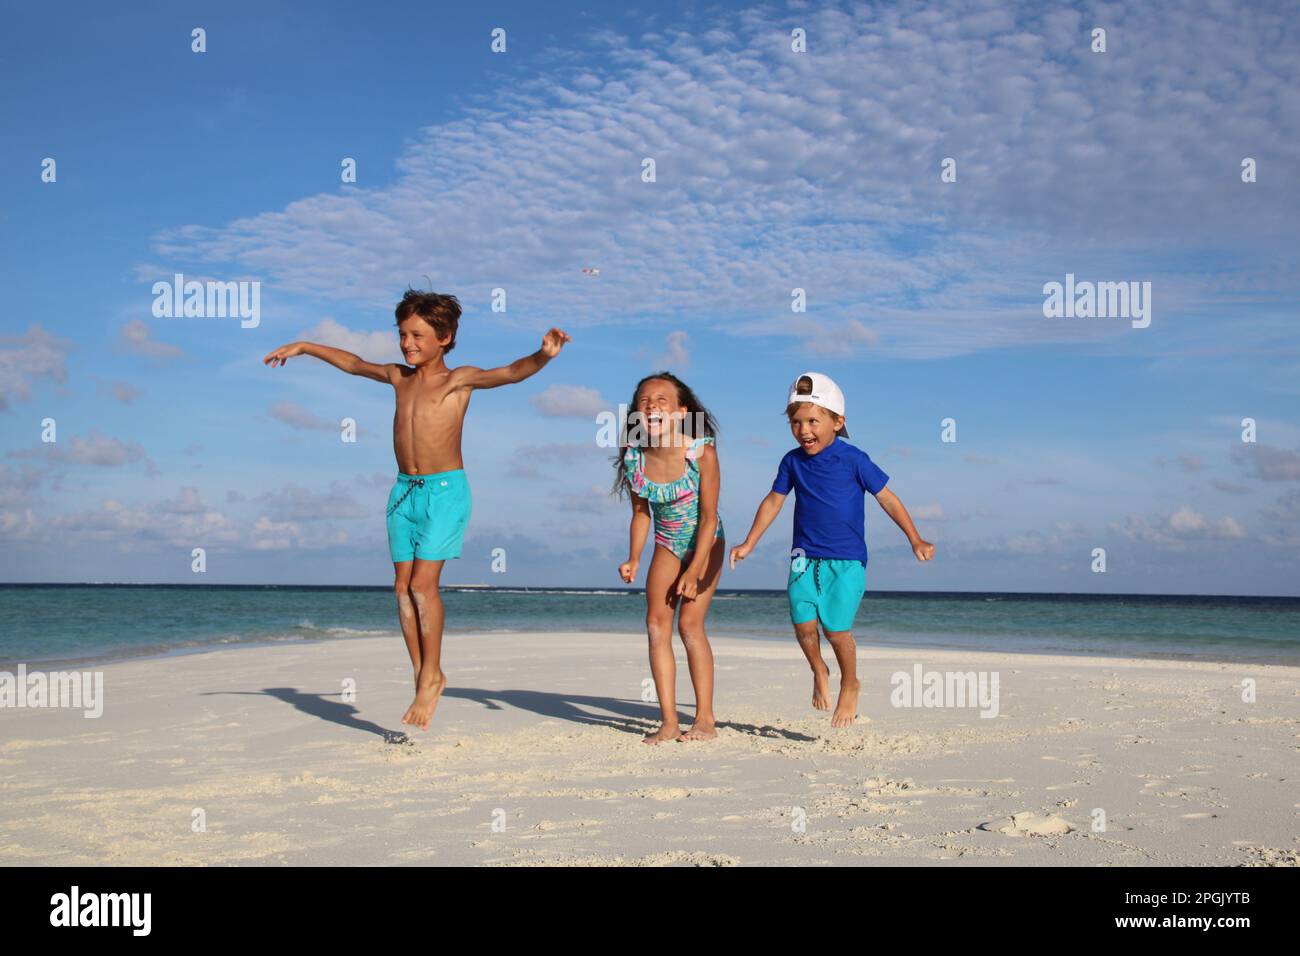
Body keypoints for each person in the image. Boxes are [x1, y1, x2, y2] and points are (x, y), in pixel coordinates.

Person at [264, 289, 571, 730]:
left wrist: (543, 356)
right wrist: (306, 347)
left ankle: (432, 674)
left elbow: (509, 373)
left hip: (446, 491)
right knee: (402, 588)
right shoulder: (398, 377)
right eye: (403, 334)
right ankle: (424, 672)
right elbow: (353, 363)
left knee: (424, 586)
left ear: (444, 337)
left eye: (418, 335)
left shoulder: (458, 381)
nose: (407, 343)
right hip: (404, 493)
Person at [730, 372, 934, 727]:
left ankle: (850, 683)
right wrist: (749, 542)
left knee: (837, 631)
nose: (803, 430)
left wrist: (914, 538)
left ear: (837, 421)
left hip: (848, 560)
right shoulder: (792, 462)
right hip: (803, 558)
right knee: (803, 623)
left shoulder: (855, 460)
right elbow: (774, 501)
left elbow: (888, 499)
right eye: (796, 422)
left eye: (812, 421)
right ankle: (818, 668)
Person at [614, 373, 725, 743]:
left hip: (706, 542)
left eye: (662, 400)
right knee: (656, 625)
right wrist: (633, 557)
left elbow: (709, 518)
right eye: (644, 401)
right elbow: (642, 514)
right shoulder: (635, 456)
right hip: (667, 541)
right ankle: (669, 721)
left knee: (689, 626)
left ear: (681, 412)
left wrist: (694, 571)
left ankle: (705, 719)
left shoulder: (701, 452)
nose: (651, 406)